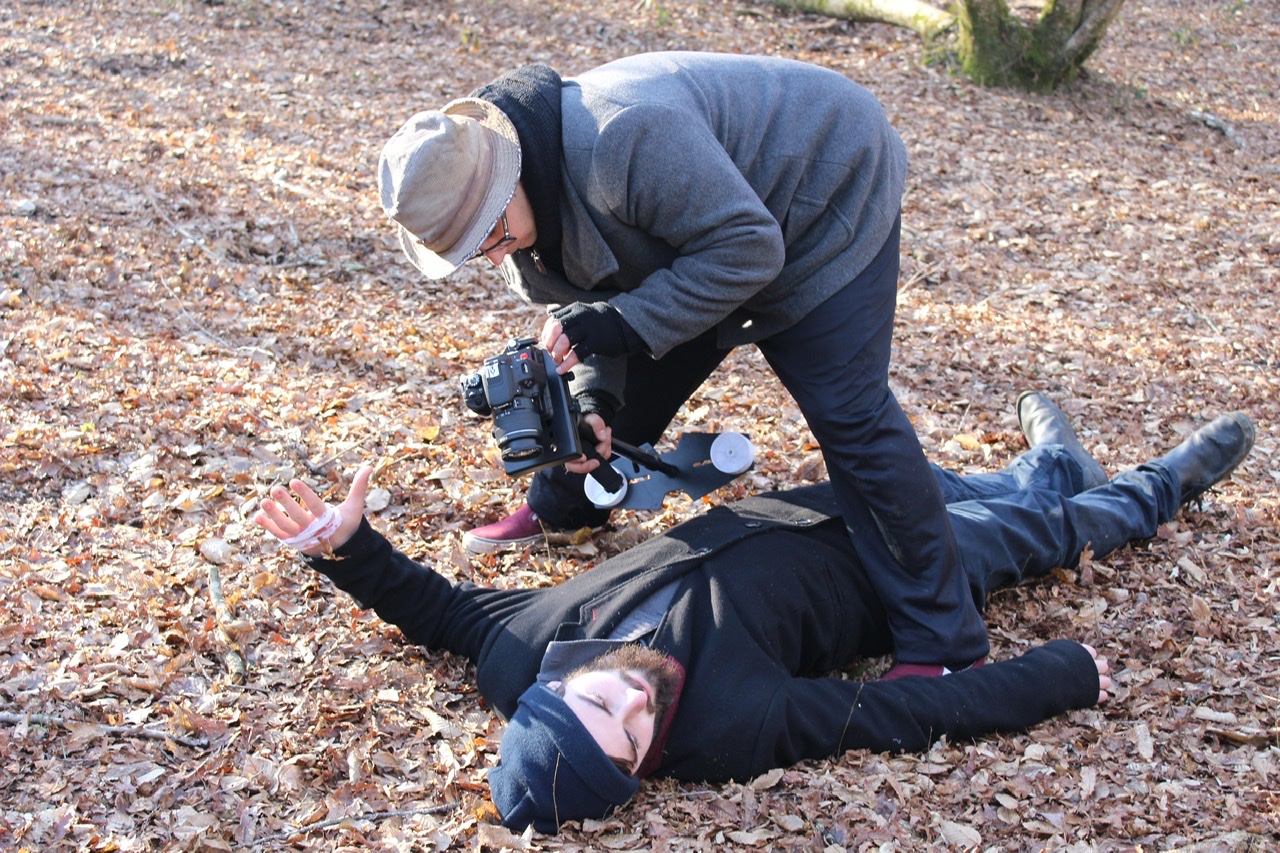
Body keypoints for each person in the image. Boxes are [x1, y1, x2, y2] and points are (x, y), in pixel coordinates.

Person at [254, 397, 1254, 833]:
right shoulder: (724, 728)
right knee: (1051, 527)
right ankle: (1160, 483)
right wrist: (1060, 678)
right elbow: (893, 718)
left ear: (553, 692)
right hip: (894, 575)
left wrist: (348, 548)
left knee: (973, 479)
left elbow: (436, 611)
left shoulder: (518, 651)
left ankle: (1044, 456)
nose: (641, 707)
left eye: (607, 705)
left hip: (801, 505)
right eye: (634, 742)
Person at [377, 51, 990, 678]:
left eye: (491, 231)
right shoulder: (517, 231)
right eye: (467, 246)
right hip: (697, 236)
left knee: (848, 413)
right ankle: (565, 510)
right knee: (613, 393)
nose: (486, 251)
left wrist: (621, 321)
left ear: (514, 175)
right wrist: (592, 403)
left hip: (818, 191)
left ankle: (944, 640)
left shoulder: (623, 138)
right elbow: (595, 308)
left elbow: (750, 249)